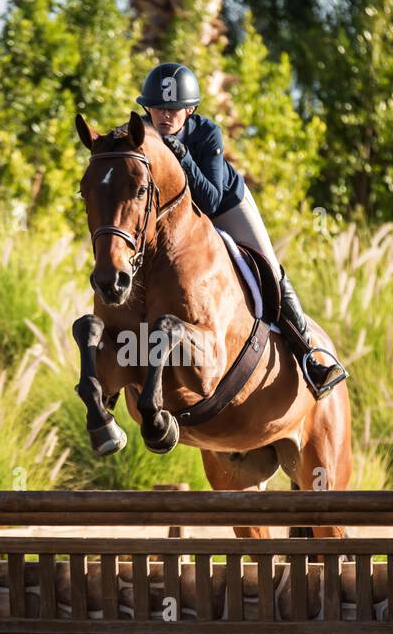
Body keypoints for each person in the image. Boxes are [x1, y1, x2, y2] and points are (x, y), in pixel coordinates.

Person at [136, 62, 348, 399]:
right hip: (177, 218)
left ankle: (310, 355)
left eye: (174, 109)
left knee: (269, 268)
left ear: (190, 109)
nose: (165, 115)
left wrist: (183, 156)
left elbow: (210, 198)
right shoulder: (142, 133)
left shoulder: (207, 134)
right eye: (159, 107)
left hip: (225, 206)